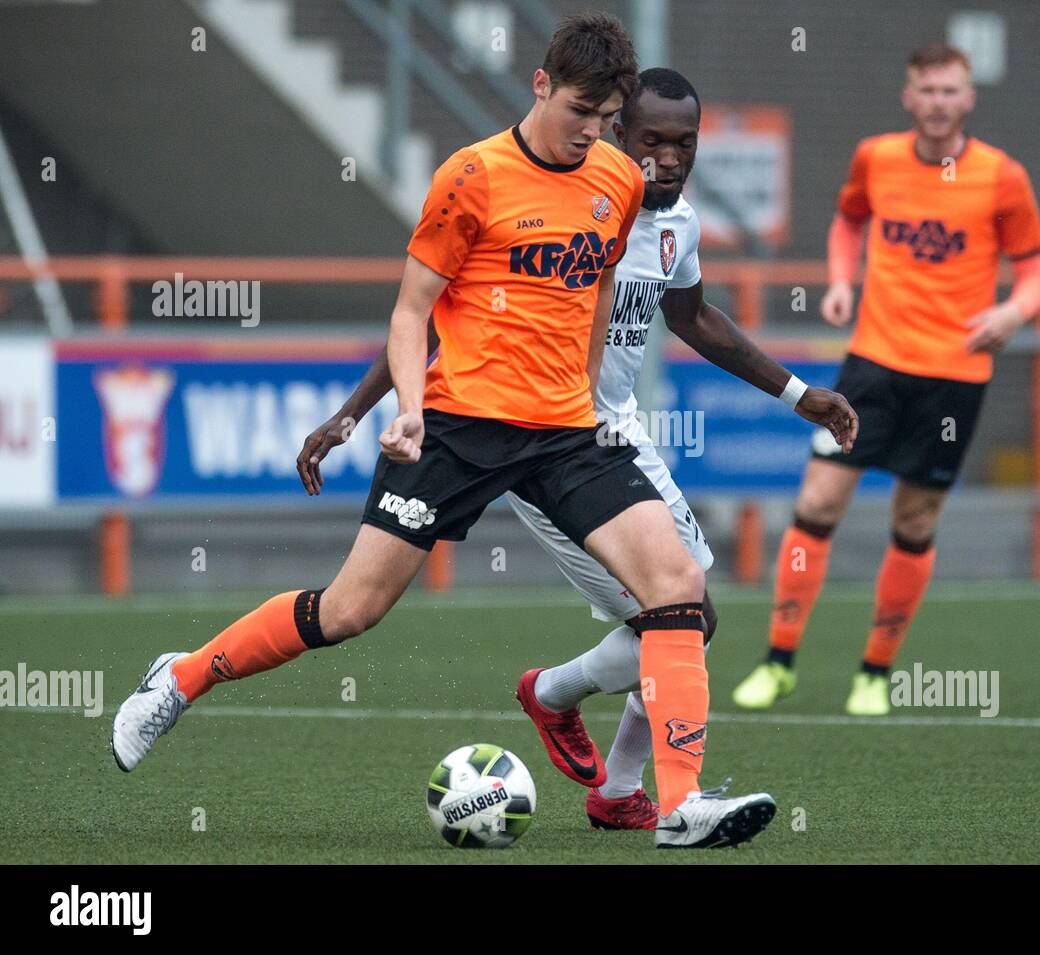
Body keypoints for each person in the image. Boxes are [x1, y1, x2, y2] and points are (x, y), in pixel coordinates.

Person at [111, 14, 850, 849]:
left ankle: (674, 804)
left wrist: (580, 386)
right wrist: (403, 411)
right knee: (351, 609)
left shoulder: (616, 180)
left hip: (568, 432)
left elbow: (604, 286)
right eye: (579, 112)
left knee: (678, 585)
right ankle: (178, 678)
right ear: (540, 86)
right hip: (459, 426)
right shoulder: (473, 177)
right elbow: (411, 311)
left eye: (606, 120)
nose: (592, 134)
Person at [297, 68, 858, 833]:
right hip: (546, 438)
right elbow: (435, 315)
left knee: (689, 613)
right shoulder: (576, 204)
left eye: (683, 143)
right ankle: (592, 733)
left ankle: (604, 767)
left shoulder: (676, 222)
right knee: (678, 613)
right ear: (616, 137)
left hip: (616, 434)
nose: (666, 158)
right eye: (649, 140)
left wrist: (799, 395)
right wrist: (354, 412)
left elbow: (694, 318)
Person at [732, 43, 1040, 717]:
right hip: (873, 363)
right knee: (817, 503)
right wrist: (843, 283)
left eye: (950, 90)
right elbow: (848, 220)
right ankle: (778, 660)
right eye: (926, 90)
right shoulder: (875, 157)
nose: (938, 102)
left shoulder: (1002, 176)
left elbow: (1034, 271)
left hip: (955, 374)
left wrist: (1013, 312)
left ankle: (875, 671)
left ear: (969, 98)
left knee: (914, 519)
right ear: (909, 97)